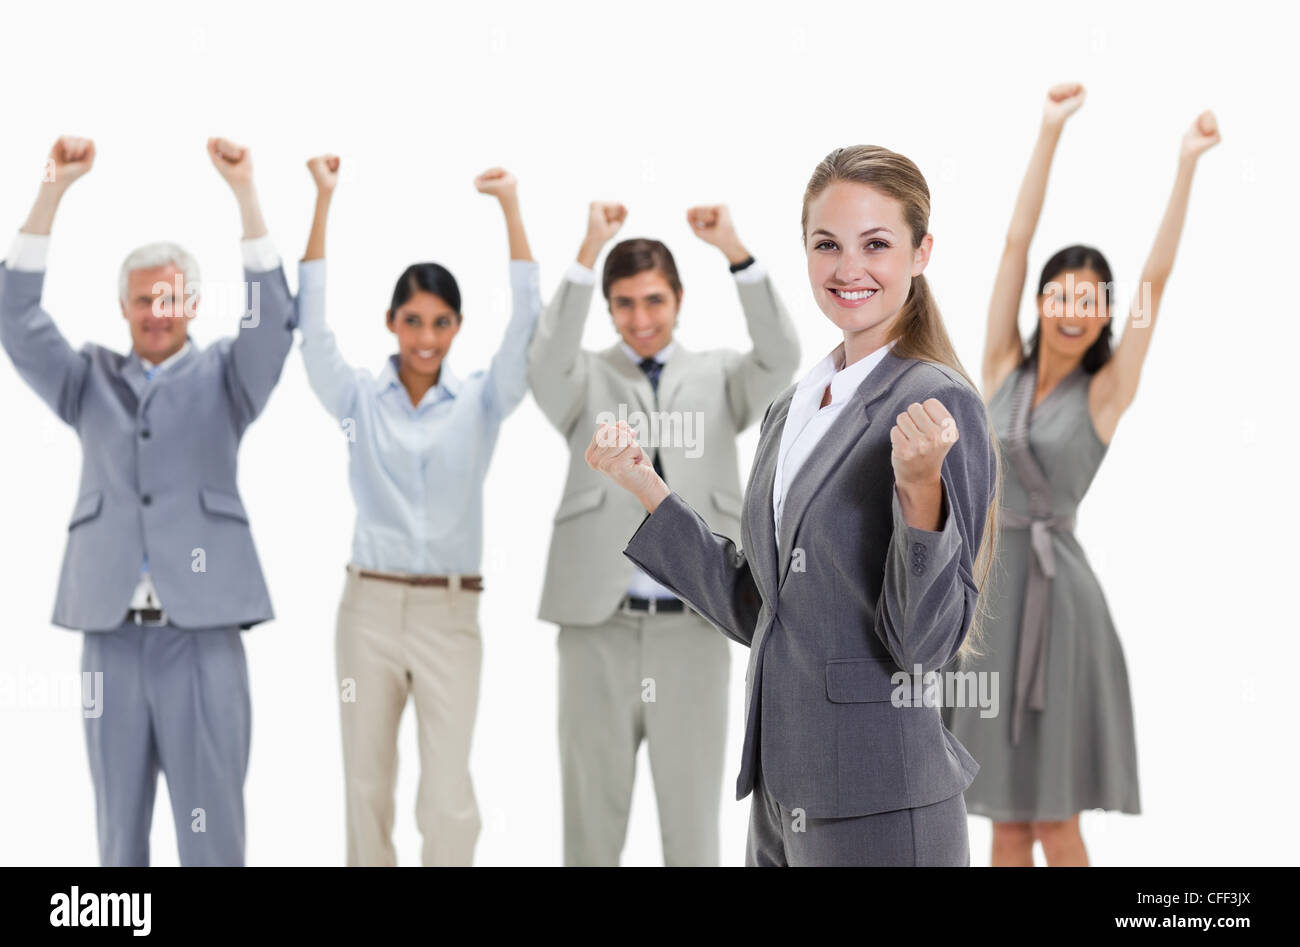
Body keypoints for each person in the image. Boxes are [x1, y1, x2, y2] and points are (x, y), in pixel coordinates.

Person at [585, 145, 999, 866]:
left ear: (921, 252)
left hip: (879, 802)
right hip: (783, 795)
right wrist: (645, 486)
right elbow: (762, 606)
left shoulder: (936, 400)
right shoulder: (795, 406)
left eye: (876, 244)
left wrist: (922, 490)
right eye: (827, 244)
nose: (849, 268)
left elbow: (922, 647)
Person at [941, 83, 1221, 866]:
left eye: (1090, 298)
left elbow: (1154, 287)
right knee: (999, 816)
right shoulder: (1000, 363)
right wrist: (1049, 131)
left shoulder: (1107, 391)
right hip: (987, 595)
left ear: (1103, 313)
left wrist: (1186, 166)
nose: (1073, 307)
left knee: (1055, 819)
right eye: (1060, 293)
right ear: (1040, 301)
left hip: (1060, 602)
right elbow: (1012, 244)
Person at [0, 135, 296, 865]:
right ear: (124, 306)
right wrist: (54, 188)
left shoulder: (231, 377)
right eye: (142, 302)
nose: (156, 314)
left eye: (169, 299)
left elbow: (273, 324)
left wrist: (246, 195)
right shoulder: (85, 380)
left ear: (191, 301)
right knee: (117, 837)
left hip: (203, 637)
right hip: (109, 636)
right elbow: (14, 315)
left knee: (214, 833)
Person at [529, 201, 800, 865]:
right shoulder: (582, 378)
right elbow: (543, 362)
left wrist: (734, 250)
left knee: (692, 825)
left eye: (654, 300)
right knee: (589, 824)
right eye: (624, 305)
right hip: (599, 627)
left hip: (695, 628)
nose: (641, 319)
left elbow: (782, 354)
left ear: (678, 298)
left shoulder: (722, 376)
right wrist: (588, 248)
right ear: (608, 307)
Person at [294, 155, 540, 866]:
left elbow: (527, 326)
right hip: (365, 611)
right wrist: (323, 198)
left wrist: (509, 206)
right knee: (365, 787)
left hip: (450, 617)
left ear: (458, 325)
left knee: (447, 797)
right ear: (391, 322)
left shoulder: (482, 404)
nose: (425, 337)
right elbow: (311, 330)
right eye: (412, 320)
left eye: (439, 322)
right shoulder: (355, 402)